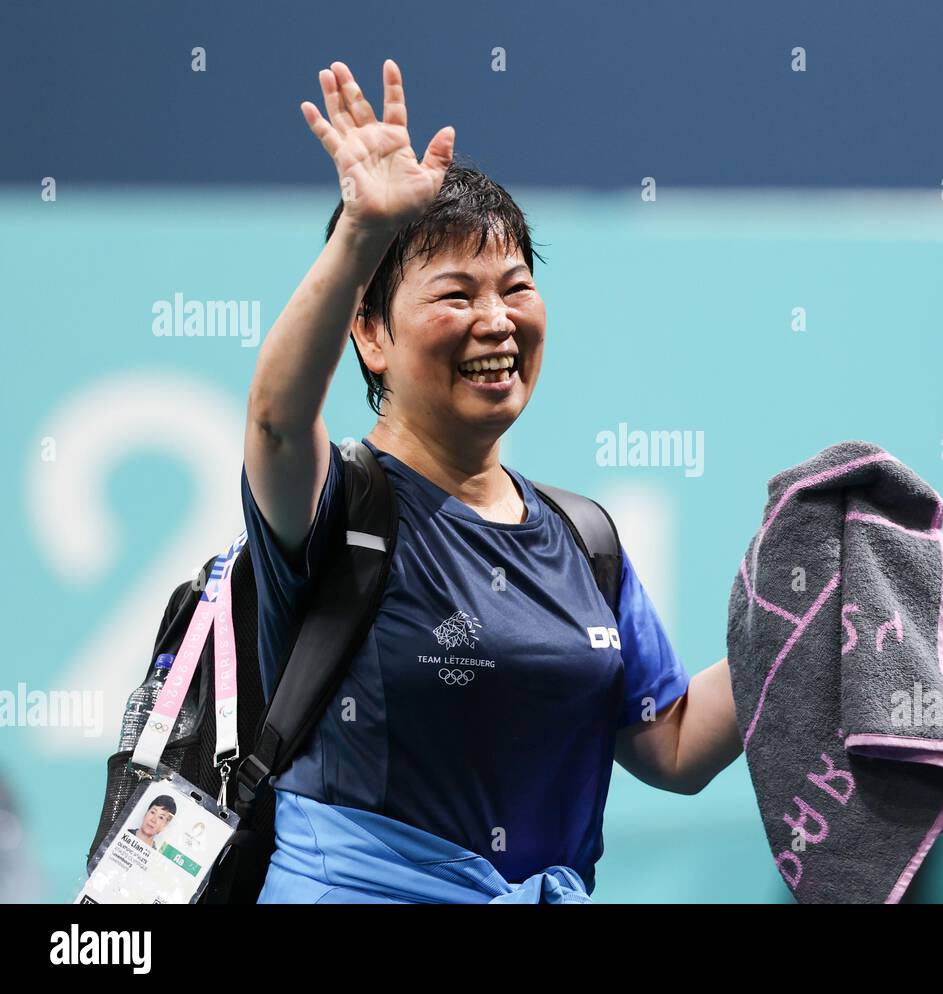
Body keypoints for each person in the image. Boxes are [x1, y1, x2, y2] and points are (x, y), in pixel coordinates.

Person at [242, 59, 742, 903]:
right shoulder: (340, 507)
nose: (496, 321)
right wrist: (362, 232)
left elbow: (677, 744)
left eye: (516, 287)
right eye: (455, 294)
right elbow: (276, 423)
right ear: (370, 334)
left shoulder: (583, 537)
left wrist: (805, 610)